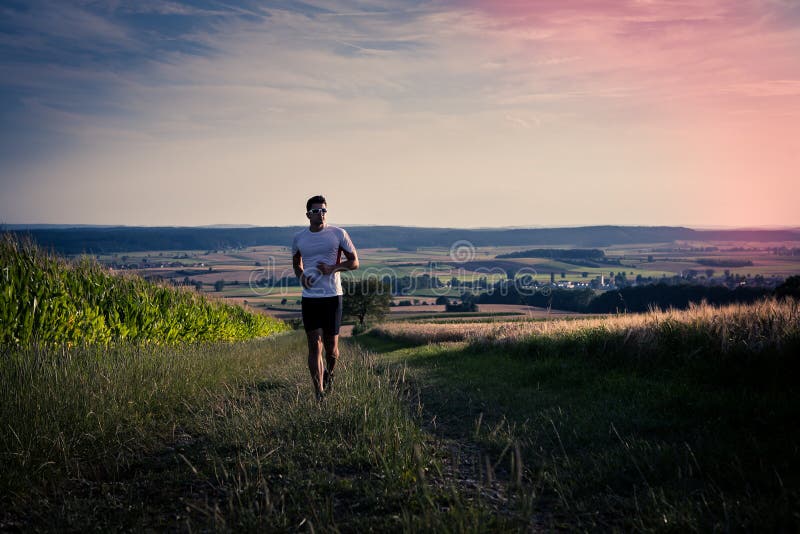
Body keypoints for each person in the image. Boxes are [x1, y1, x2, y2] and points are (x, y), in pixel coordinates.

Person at [292, 195, 359, 399]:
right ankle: (319, 392)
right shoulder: (299, 238)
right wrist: (301, 276)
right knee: (314, 345)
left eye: (323, 210)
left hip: (332, 296)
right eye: (315, 211)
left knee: (331, 350)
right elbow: (296, 263)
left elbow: (355, 262)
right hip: (310, 298)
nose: (320, 214)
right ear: (307, 215)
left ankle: (330, 374)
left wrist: (333, 268)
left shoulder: (338, 234)